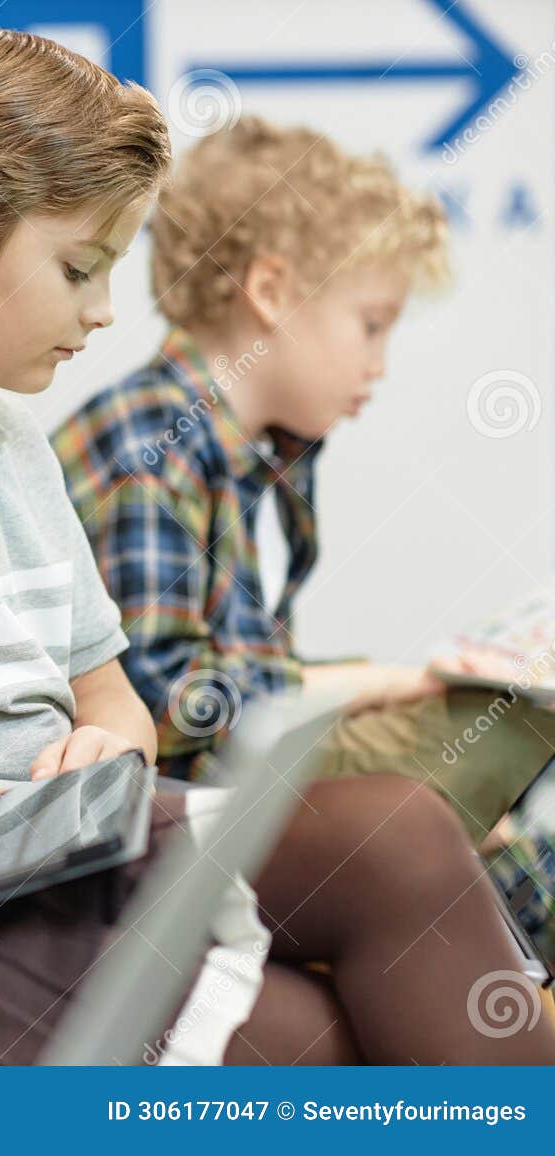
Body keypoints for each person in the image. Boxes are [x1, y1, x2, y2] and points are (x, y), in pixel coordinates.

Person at [0, 31, 555, 1063]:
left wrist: (106, 748)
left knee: (386, 898)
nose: (100, 314)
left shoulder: (7, 436)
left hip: (78, 845)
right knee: (359, 929)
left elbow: (114, 703)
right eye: (78, 269)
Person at [48, 117, 553, 841]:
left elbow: (247, 678)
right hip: (168, 820)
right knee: (505, 725)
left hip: (232, 790)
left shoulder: (262, 450)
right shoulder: (151, 445)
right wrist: (371, 684)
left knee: (506, 786)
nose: (379, 362)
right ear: (273, 291)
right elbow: (169, 700)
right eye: (372, 324)